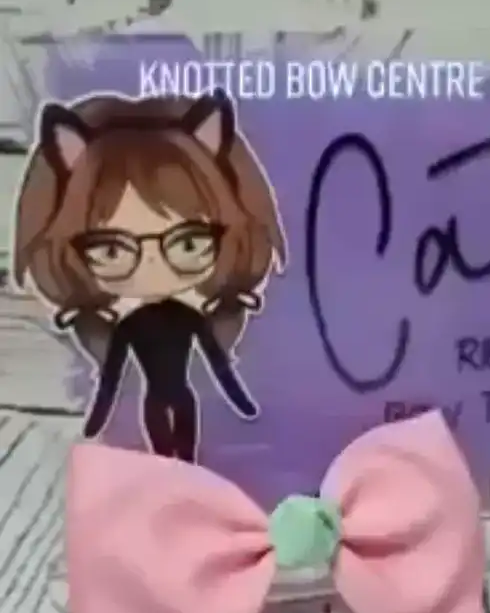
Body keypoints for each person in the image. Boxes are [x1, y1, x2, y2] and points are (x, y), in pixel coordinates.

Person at [11, 89, 286, 461]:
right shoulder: (126, 325)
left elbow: (219, 366)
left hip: (183, 402)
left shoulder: (191, 316)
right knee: (162, 450)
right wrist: (95, 421)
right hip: (149, 407)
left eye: (188, 243)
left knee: (182, 450)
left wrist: (245, 405)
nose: (154, 267)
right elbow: (111, 379)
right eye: (111, 250)